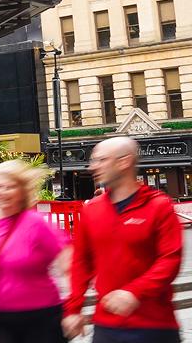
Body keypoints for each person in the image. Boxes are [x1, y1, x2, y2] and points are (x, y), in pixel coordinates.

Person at [64, 136, 182, 343]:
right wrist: (73, 309)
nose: (93, 167)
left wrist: (133, 292)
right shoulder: (91, 209)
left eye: (101, 160)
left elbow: (170, 259)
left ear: (124, 162)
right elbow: (80, 262)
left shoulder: (159, 206)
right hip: (106, 325)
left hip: (155, 326)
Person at [0, 160, 68, 343]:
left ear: (22, 190)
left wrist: (73, 308)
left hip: (40, 320)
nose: (2, 192)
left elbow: (68, 262)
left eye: (9, 186)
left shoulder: (37, 223)